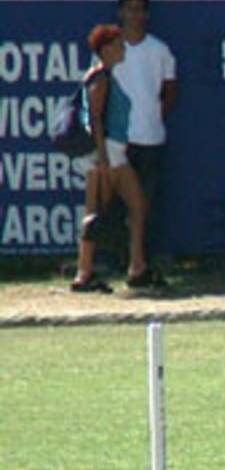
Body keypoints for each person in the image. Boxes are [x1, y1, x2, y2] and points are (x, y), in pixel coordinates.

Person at [97, 0, 177, 286]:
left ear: (147, 13)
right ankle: (111, 261)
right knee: (113, 204)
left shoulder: (159, 50)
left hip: (151, 139)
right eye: (129, 8)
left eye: (140, 9)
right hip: (118, 141)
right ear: (121, 12)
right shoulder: (111, 49)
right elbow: (98, 92)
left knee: (145, 205)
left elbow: (170, 91)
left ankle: (140, 264)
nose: (135, 14)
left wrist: (154, 115)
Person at [70, 25, 151, 292]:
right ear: (105, 49)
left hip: (98, 153)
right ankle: (136, 267)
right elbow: (95, 117)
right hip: (109, 151)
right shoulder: (101, 78)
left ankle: (84, 273)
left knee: (93, 212)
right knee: (137, 204)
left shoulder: (98, 75)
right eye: (118, 45)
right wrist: (104, 157)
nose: (123, 49)